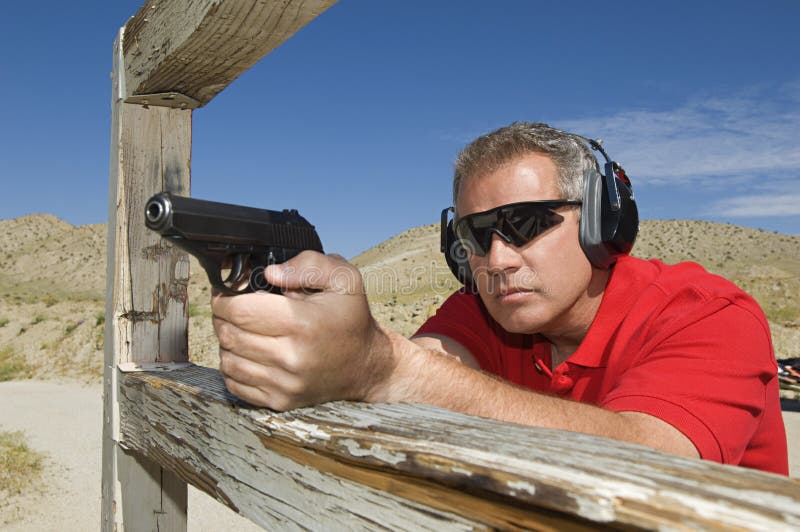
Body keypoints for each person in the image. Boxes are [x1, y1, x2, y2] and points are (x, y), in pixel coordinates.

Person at [211, 122, 788, 475]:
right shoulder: (486, 306)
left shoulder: (707, 313)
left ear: (600, 221)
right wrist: (325, 342)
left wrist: (382, 367)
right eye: (476, 235)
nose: (497, 259)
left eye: (528, 222)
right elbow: (428, 363)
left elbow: (656, 462)